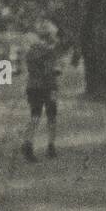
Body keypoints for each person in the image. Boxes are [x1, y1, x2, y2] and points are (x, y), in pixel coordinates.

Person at [22, 23, 61, 162]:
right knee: (52, 116)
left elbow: (31, 69)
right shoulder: (50, 51)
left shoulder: (30, 52)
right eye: (54, 35)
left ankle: (28, 142)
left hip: (33, 87)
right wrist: (57, 71)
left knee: (35, 116)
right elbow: (51, 70)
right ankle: (51, 146)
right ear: (50, 36)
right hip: (50, 87)